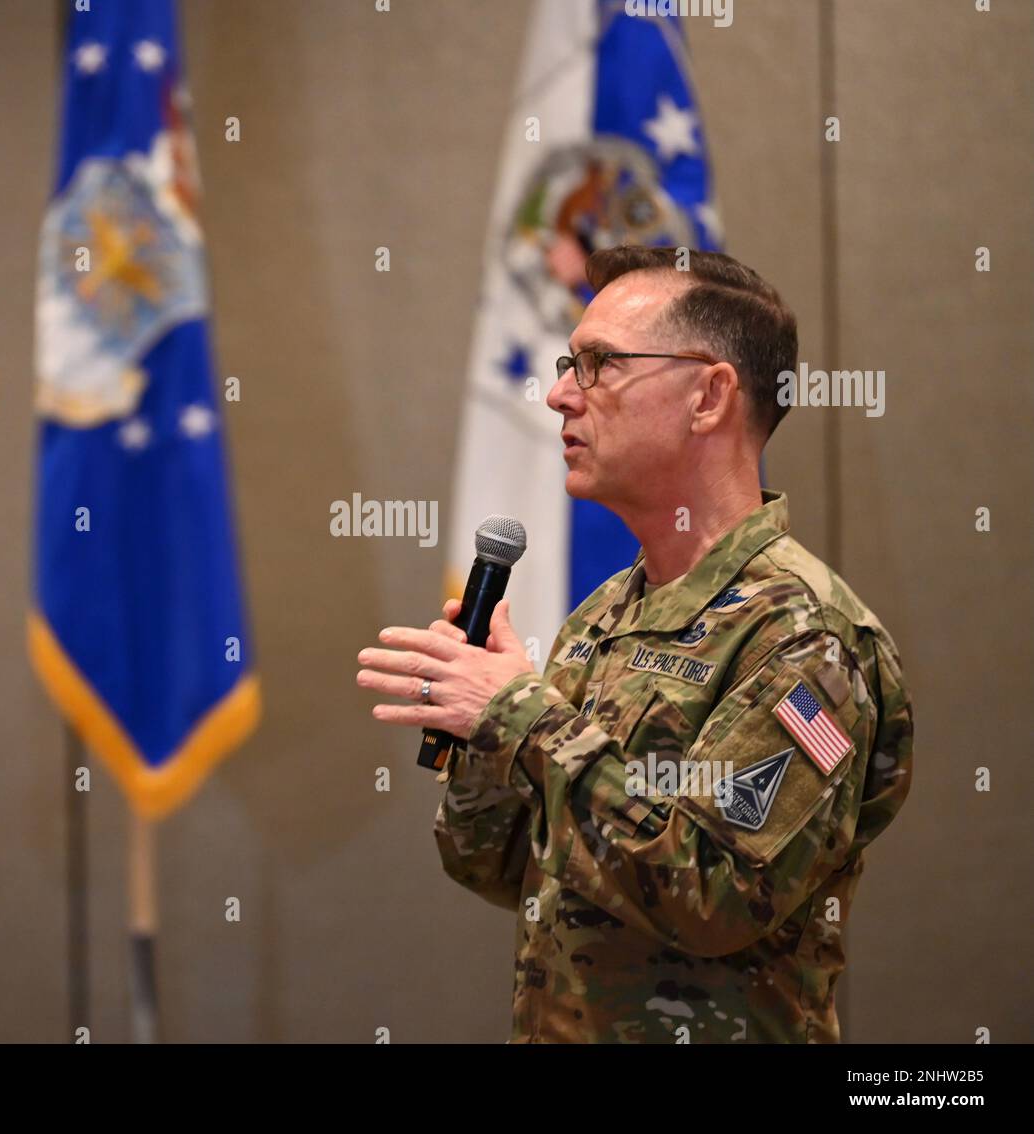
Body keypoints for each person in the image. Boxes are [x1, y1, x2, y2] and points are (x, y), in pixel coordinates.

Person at [356, 245, 913, 1043]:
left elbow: (713, 892)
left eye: (598, 365)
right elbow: (502, 866)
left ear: (708, 395)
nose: (557, 396)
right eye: (566, 365)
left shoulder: (806, 638)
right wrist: (481, 736)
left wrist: (518, 715)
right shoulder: (606, 615)